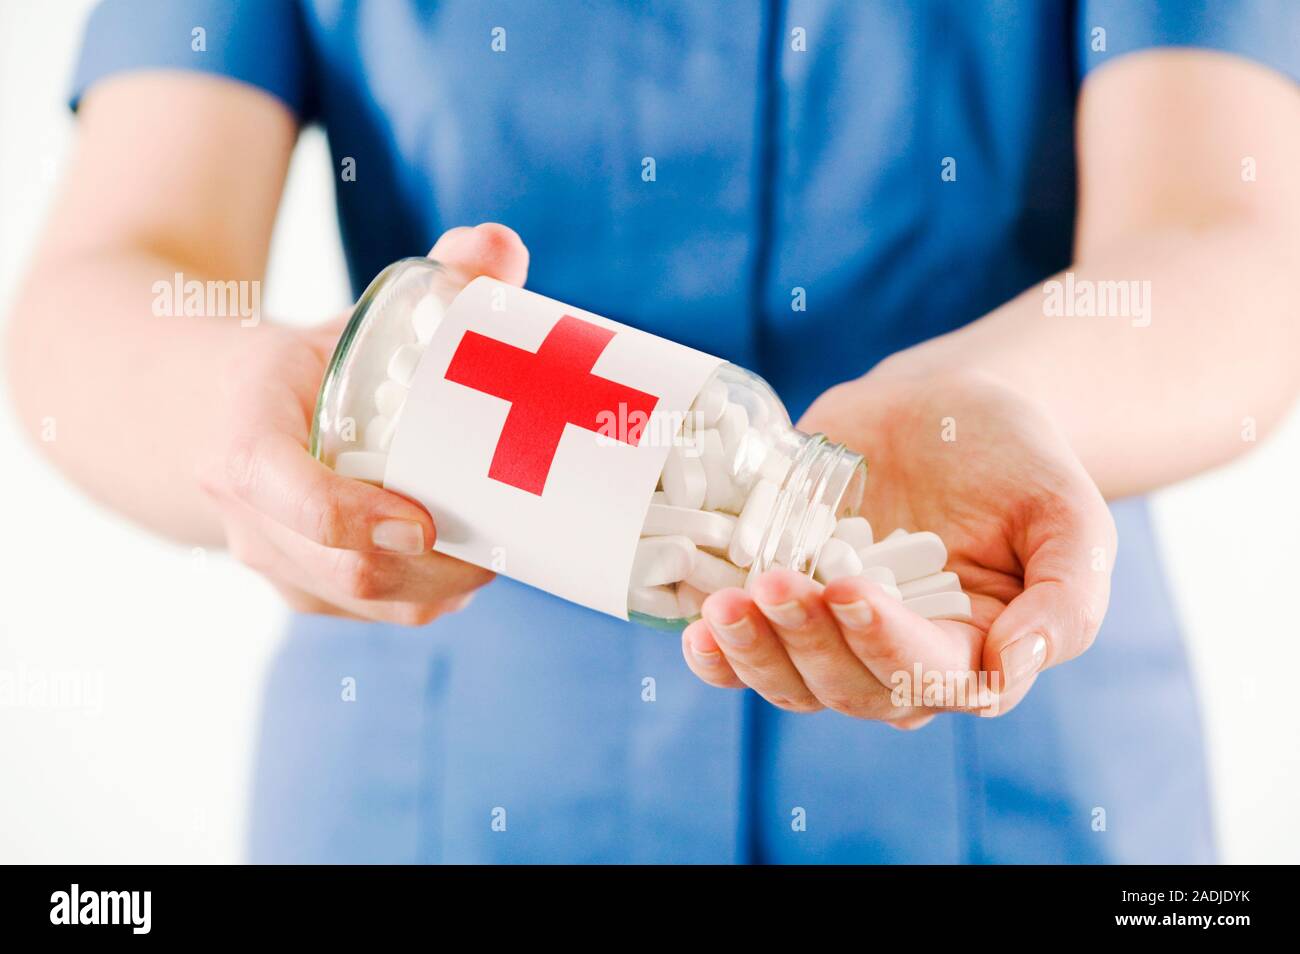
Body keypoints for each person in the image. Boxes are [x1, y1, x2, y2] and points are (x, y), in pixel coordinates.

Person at [7, 0, 1298, 863]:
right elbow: (108, 275)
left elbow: (1228, 243)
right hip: (447, 777)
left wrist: (996, 403)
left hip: (999, 721)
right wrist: (231, 406)